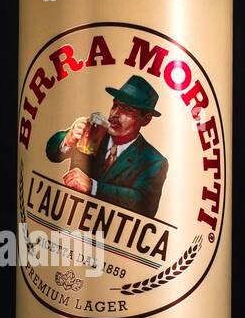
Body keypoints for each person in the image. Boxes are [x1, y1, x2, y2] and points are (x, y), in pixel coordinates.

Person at [45, 77, 168, 219]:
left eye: (127, 109)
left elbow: (145, 205)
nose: (114, 114)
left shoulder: (154, 161)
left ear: (146, 119)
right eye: (115, 105)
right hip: (69, 223)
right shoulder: (92, 134)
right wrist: (68, 138)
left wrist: (94, 187)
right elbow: (51, 153)